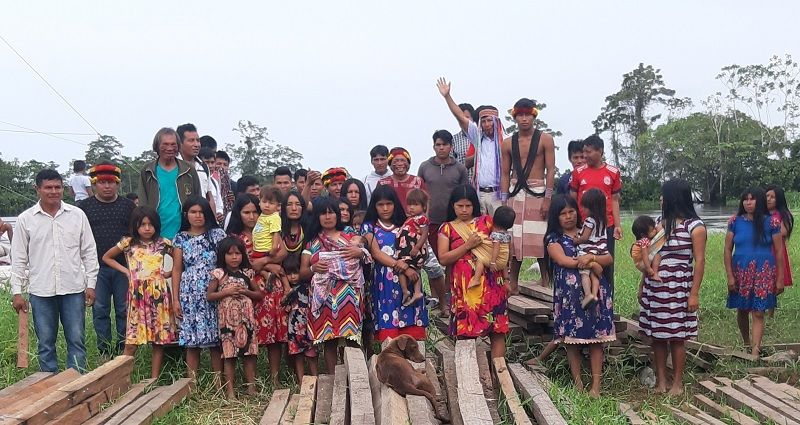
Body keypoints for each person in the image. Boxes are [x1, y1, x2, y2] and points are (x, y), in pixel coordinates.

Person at [11, 169, 98, 372]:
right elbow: (19, 259)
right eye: (48, 187)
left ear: (63, 189)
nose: (53, 191)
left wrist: (91, 285)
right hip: (41, 291)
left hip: (73, 289)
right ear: (37, 189)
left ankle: (75, 382)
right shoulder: (26, 219)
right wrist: (17, 292)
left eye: (57, 187)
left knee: (76, 340)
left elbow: (89, 252)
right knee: (45, 343)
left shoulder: (77, 215)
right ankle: (49, 382)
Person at [639, 179, 706, 396]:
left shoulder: (695, 227)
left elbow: (700, 262)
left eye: (664, 196)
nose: (661, 199)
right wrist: (642, 286)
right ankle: (661, 381)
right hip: (656, 288)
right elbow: (650, 257)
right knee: (657, 337)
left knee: (677, 338)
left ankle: (677, 383)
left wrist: (694, 294)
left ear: (674, 198)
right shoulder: (659, 224)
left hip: (679, 288)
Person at [544, 195, 615, 397]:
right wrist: (592, 263)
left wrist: (592, 258)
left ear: (578, 211)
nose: (568, 216)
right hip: (569, 295)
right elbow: (562, 260)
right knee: (571, 340)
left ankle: (596, 387)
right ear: (555, 217)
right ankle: (578, 385)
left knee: (596, 338)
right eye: (563, 213)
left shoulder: (588, 230)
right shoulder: (554, 238)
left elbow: (608, 258)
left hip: (595, 293)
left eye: (571, 211)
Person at [101, 206, 177, 379]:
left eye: (151, 224)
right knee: (131, 341)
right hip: (138, 296)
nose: (147, 228)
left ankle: (153, 378)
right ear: (135, 225)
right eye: (142, 224)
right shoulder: (128, 243)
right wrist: (126, 271)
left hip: (159, 296)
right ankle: (121, 379)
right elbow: (107, 257)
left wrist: (169, 273)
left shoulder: (164, 243)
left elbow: (180, 261)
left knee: (158, 341)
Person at [437, 184, 508, 359]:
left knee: (497, 331)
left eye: (468, 206)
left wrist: (507, 278)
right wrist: (467, 245)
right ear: (453, 206)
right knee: (465, 332)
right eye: (459, 206)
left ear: (474, 205)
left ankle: (498, 371)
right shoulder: (447, 228)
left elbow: (502, 245)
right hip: (465, 288)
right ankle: (467, 371)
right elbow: (443, 258)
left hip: (491, 284)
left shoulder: (487, 222)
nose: (464, 210)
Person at [226, 194, 289, 387]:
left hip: (273, 288)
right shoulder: (235, 238)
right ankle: (251, 382)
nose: (252, 216)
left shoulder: (269, 229)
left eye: (255, 212)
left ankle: (275, 379)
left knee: (274, 336)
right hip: (249, 289)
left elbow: (283, 252)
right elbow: (243, 264)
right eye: (246, 212)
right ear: (239, 214)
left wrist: (264, 262)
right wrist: (267, 264)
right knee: (250, 334)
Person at [300, 196, 369, 373]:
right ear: (317, 216)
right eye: (323, 213)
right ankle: (332, 378)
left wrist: (360, 252)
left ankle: (357, 375)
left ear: (337, 215)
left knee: (352, 337)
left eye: (331, 212)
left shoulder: (350, 236)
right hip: (325, 297)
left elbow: (365, 254)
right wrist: (314, 268)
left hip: (349, 294)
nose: (328, 217)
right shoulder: (312, 242)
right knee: (328, 338)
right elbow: (303, 272)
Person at [379, 147, 447, 314]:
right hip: (398, 233)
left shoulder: (417, 181)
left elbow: (426, 203)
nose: (399, 164)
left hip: (418, 233)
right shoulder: (384, 183)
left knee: (434, 268)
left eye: (403, 160)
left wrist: (423, 225)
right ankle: (406, 305)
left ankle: (444, 304)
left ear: (408, 163)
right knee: (402, 269)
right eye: (395, 161)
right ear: (390, 164)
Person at [79, 162, 136, 357]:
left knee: (123, 309)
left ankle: (123, 351)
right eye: (102, 182)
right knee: (100, 309)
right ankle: (104, 350)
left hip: (123, 266)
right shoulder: (84, 207)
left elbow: (134, 233)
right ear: (95, 184)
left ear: (117, 184)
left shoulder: (128, 206)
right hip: (96, 268)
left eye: (111, 182)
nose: (107, 186)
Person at [500, 99, 556, 291]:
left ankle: (545, 280)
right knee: (515, 238)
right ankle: (513, 282)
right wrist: (504, 201)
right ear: (515, 117)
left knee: (540, 236)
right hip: (515, 193)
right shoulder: (508, 143)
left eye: (527, 115)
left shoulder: (545, 139)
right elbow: (505, 173)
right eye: (520, 115)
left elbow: (550, 170)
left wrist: (547, 199)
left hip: (538, 191)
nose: (524, 119)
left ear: (534, 116)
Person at [361, 185, 428, 343]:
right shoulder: (369, 226)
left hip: (410, 277)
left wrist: (410, 266)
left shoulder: (407, 222)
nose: (385, 208)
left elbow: (420, 243)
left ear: (395, 204)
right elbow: (376, 253)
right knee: (390, 333)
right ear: (374, 206)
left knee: (412, 335)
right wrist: (402, 266)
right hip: (384, 282)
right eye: (380, 204)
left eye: (389, 204)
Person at [171, 196, 226, 381]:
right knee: (191, 342)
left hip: (214, 291)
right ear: (186, 214)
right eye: (193, 212)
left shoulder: (217, 235)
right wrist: (176, 299)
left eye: (201, 212)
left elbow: (225, 262)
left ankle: (218, 383)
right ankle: (191, 383)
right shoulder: (180, 238)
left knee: (215, 341)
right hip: (189, 294)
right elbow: (177, 269)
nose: (198, 216)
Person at [724, 188, 784, 357]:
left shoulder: (772, 222)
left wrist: (780, 278)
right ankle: (746, 343)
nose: (748, 202)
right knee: (742, 309)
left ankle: (755, 351)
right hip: (741, 271)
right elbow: (727, 249)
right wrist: (730, 276)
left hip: (764, 271)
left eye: (752, 199)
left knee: (758, 311)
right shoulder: (734, 222)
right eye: (745, 199)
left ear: (760, 201)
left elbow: (779, 251)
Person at [437, 78, 504, 215]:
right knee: (480, 227)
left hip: (499, 194)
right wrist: (447, 96)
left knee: (499, 227)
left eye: (489, 120)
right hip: (480, 193)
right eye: (483, 121)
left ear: (496, 121)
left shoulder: (507, 141)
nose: (486, 124)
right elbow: (460, 117)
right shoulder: (477, 137)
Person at [207, 237, 263, 398]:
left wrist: (246, 292)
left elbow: (259, 294)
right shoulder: (219, 274)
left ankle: (251, 387)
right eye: (230, 254)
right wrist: (227, 292)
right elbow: (210, 296)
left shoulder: (247, 273)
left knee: (250, 353)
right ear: (223, 255)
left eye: (237, 253)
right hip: (227, 321)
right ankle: (230, 391)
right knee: (229, 354)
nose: (234, 257)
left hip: (246, 320)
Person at [570, 135, 622, 286]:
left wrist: (617, 226)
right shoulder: (578, 172)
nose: (585, 156)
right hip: (583, 225)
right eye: (584, 152)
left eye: (589, 152)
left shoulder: (613, 172)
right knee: (582, 264)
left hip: (606, 226)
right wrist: (574, 224)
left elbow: (615, 200)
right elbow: (572, 199)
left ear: (600, 151)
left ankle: (607, 297)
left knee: (606, 264)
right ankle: (586, 296)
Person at [139, 127, 201, 240]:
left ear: (178, 146)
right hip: (155, 234)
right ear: (157, 146)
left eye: (173, 144)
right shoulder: (147, 171)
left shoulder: (188, 170)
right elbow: (142, 204)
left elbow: (198, 200)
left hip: (185, 234)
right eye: (165, 144)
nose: (170, 148)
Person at [417, 129, 469, 260]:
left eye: (445, 144)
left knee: (454, 257)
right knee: (436, 259)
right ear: (433, 146)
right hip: (431, 221)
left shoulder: (460, 169)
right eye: (438, 144)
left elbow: (465, 195)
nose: (441, 148)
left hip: (454, 221)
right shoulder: (424, 167)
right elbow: (419, 194)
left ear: (451, 146)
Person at [280, 253, 318, 382]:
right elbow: (284, 306)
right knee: (298, 355)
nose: (293, 276)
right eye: (289, 274)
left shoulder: (309, 286)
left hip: (309, 325)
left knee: (312, 353)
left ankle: (315, 378)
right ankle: (301, 381)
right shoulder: (289, 291)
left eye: (295, 273)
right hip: (294, 326)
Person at [572, 189, 609, 309]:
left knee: (584, 273)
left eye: (585, 207)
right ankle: (594, 294)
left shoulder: (589, 220)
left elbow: (585, 238)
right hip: (600, 249)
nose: (582, 209)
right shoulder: (603, 220)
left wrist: (576, 240)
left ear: (591, 208)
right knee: (594, 274)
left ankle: (588, 294)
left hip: (588, 249)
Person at [395, 189, 430, 307]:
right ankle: (407, 291)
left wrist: (417, 247)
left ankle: (416, 291)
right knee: (402, 269)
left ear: (424, 206)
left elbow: (424, 234)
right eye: (409, 205)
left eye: (415, 205)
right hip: (406, 249)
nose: (411, 207)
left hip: (414, 249)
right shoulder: (410, 218)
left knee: (413, 268)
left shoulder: (422, 219)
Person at [469, 206, 515, 288]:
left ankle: (476, 279)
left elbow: (496, 248)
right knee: (504, 264)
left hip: (496, 262)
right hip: (504, 261)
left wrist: (493, 262)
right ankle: (506, 280)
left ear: (494, 219)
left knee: (480, 260)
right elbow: (510, 248)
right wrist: (509, 260)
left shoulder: (495, 235)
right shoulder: (508, 235)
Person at [177, 123, 217, 216]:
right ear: (180, 143)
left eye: (198, 140)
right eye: (191, 141)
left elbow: (209, 196)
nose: (196, 144)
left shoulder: (203, 167)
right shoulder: (173, 166)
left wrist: (213, 220)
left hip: (202, 218)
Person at [766, 184, 794, 290]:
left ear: (779, 199)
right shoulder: (760, 213)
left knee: (773, 283)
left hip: (775, 250)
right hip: (762, 249)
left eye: (772, 197)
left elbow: (783, 232)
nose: (768, 199)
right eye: (767, 196)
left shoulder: (783, 214)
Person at [251, 185, 283, 276]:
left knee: (255, 264)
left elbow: (276, 234)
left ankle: (269, 275)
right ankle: (267, 275)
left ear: (278, 206)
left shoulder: (274, 217)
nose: (267, 205)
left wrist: (274, 248)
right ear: (259, 202)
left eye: (271, 203)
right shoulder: (263, 215)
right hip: (258, 249)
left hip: (266, 251)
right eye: (264, 202)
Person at [631, 215, 664, 282]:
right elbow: (644, 255)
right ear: (643, 235)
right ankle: (655, 274)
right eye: (652, 230)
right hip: (642, 263)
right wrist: (648, 268)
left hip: (639, 262)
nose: (655, 230)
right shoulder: (644, 241)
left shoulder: (640, 241)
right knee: (657, 254)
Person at [199, 146, 224, 222]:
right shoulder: (196, 180)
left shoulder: (214, 182)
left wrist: (219, 213)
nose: (210, 166)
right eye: (207, 162)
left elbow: (219, 204)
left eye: (212, 162)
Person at [451, 103, 476, 172]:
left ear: (473, 119)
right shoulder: (453, 140)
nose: (463, 120)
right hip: (461, 178)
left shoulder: (481, 137)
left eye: (467, 117)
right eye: (460, 118)